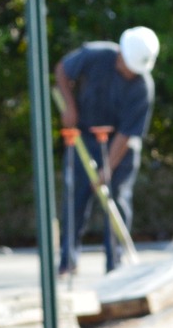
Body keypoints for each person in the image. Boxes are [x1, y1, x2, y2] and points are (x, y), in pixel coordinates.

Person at [55, 26, 158, 273]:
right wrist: (69, 106)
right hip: (83, 137)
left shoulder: (143, 88)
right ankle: (68, 262)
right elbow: (62, 71)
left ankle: (115, 266)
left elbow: (126, 135)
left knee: (117, 200)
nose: (131, 72)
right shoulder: (95, 55)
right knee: (75, 198)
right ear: (120, 54)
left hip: (119, 148)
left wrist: (106, 171)